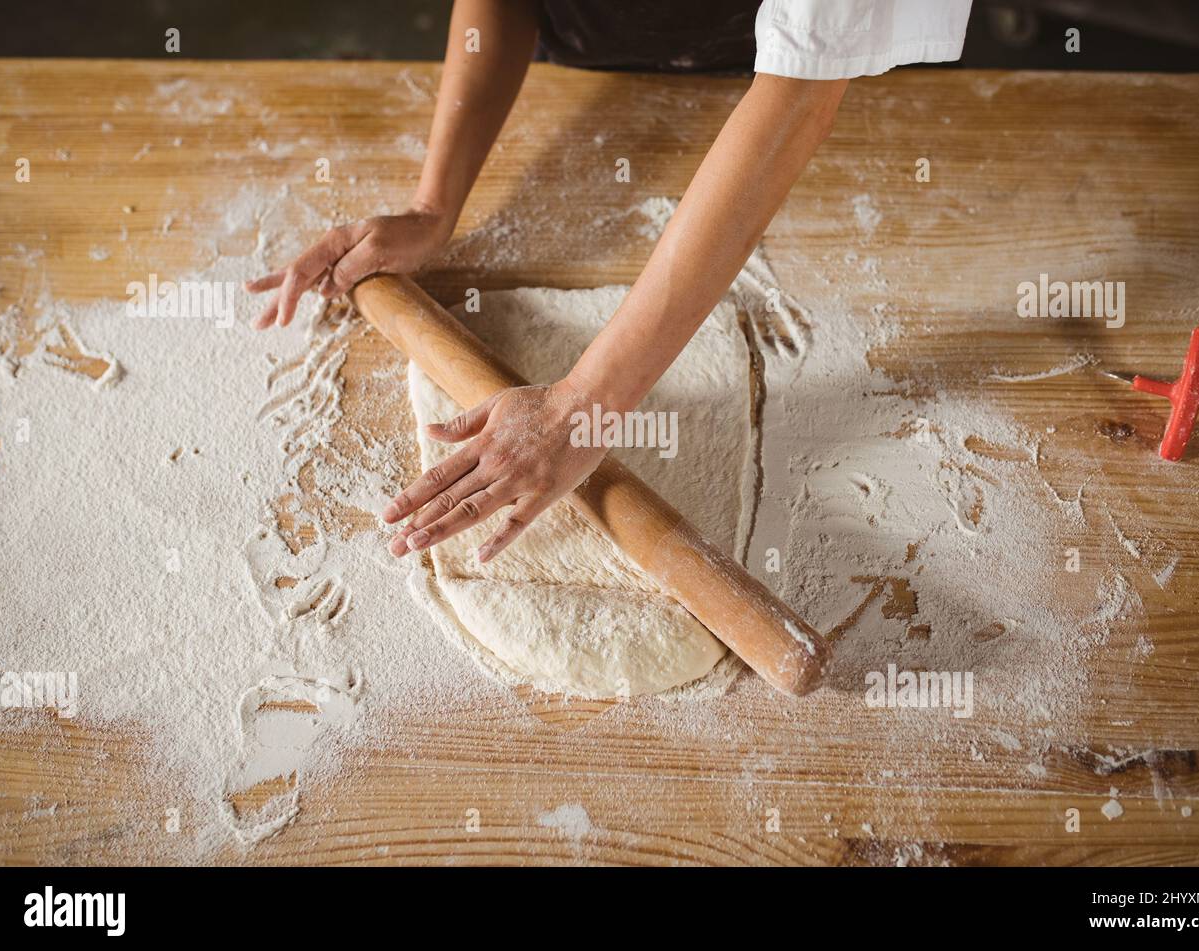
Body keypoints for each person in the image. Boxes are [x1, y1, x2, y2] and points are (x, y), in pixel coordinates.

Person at [248, 0, 973, 562]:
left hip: (821, 59)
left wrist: (584, 407)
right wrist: (434, 206)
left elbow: (799, 98)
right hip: (591, 45)